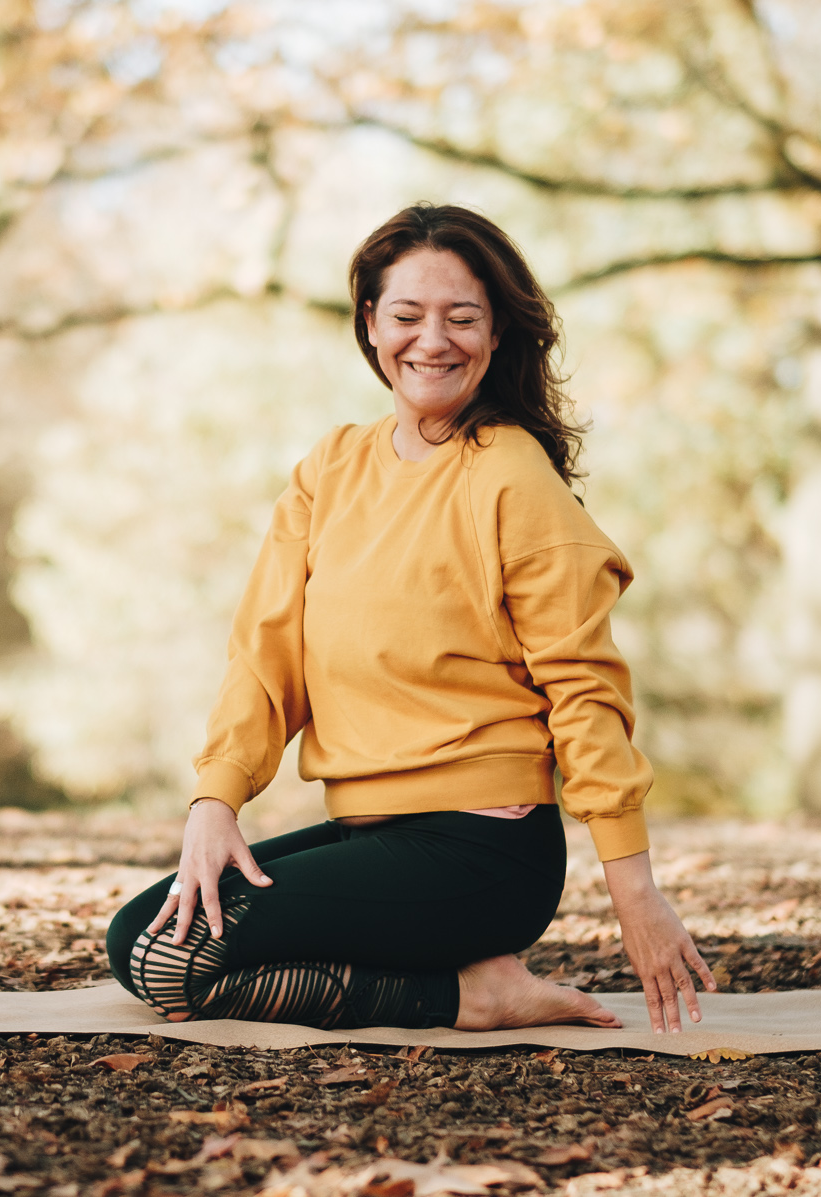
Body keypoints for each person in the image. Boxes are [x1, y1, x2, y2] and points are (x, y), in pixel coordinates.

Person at [105, 203, 716, 1035]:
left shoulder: (510, 473)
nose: (434, 339)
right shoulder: (332, 466)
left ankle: (472, 996)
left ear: (496, 333)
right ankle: (465, 982)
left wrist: (634, 893)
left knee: (166, 957)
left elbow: (583, 686)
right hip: (372, 837)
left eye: (462, 317)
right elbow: (267, 652)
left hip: (483, 851)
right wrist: (215, 801)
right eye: (407, 314)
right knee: (139, 936)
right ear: (371, 323)